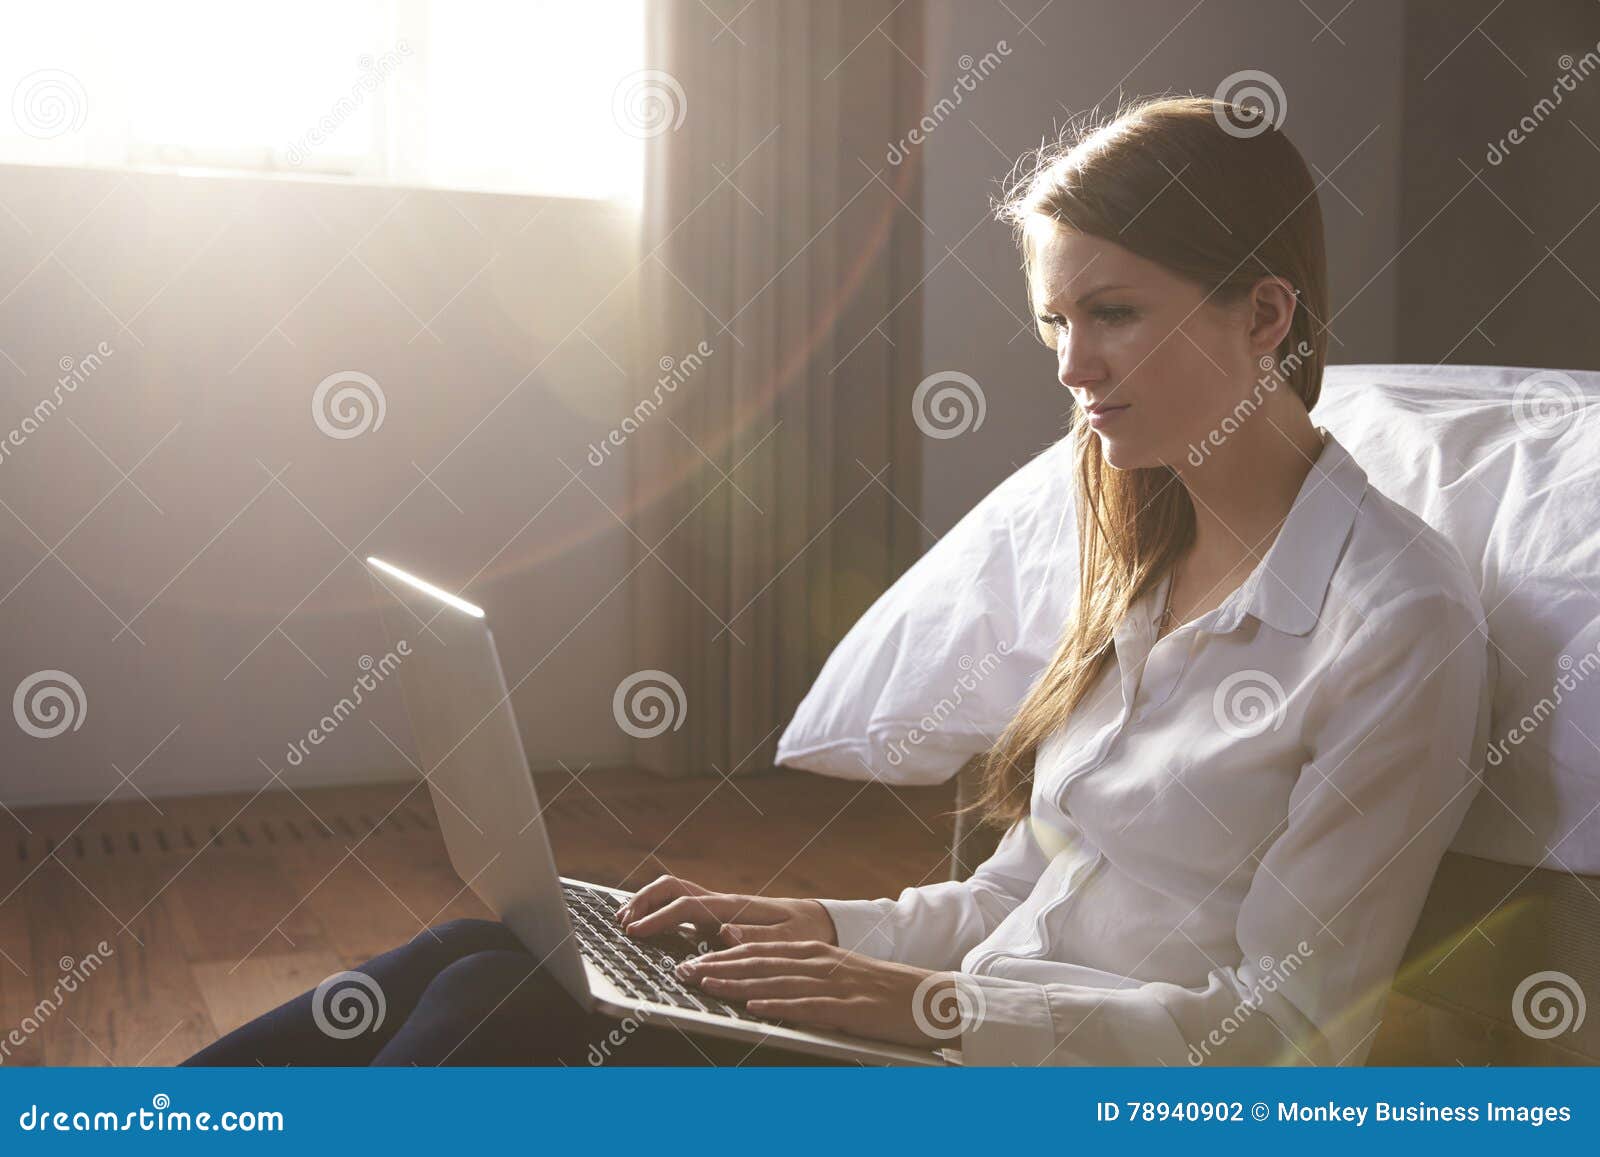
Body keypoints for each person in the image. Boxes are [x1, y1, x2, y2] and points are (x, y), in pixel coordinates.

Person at [185, 94, 1490, 1067]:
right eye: (1054, 321)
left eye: (1117, 313)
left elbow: (1286, 1034)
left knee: (499, 1006)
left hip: (1020, 1084)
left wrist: (933, 1008)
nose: (1072, 364)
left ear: (1266, 317)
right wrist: (802, 920)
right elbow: (1012, 898)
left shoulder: (1398, 624)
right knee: (492, 949)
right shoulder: (1148, 560)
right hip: (938, 1038)